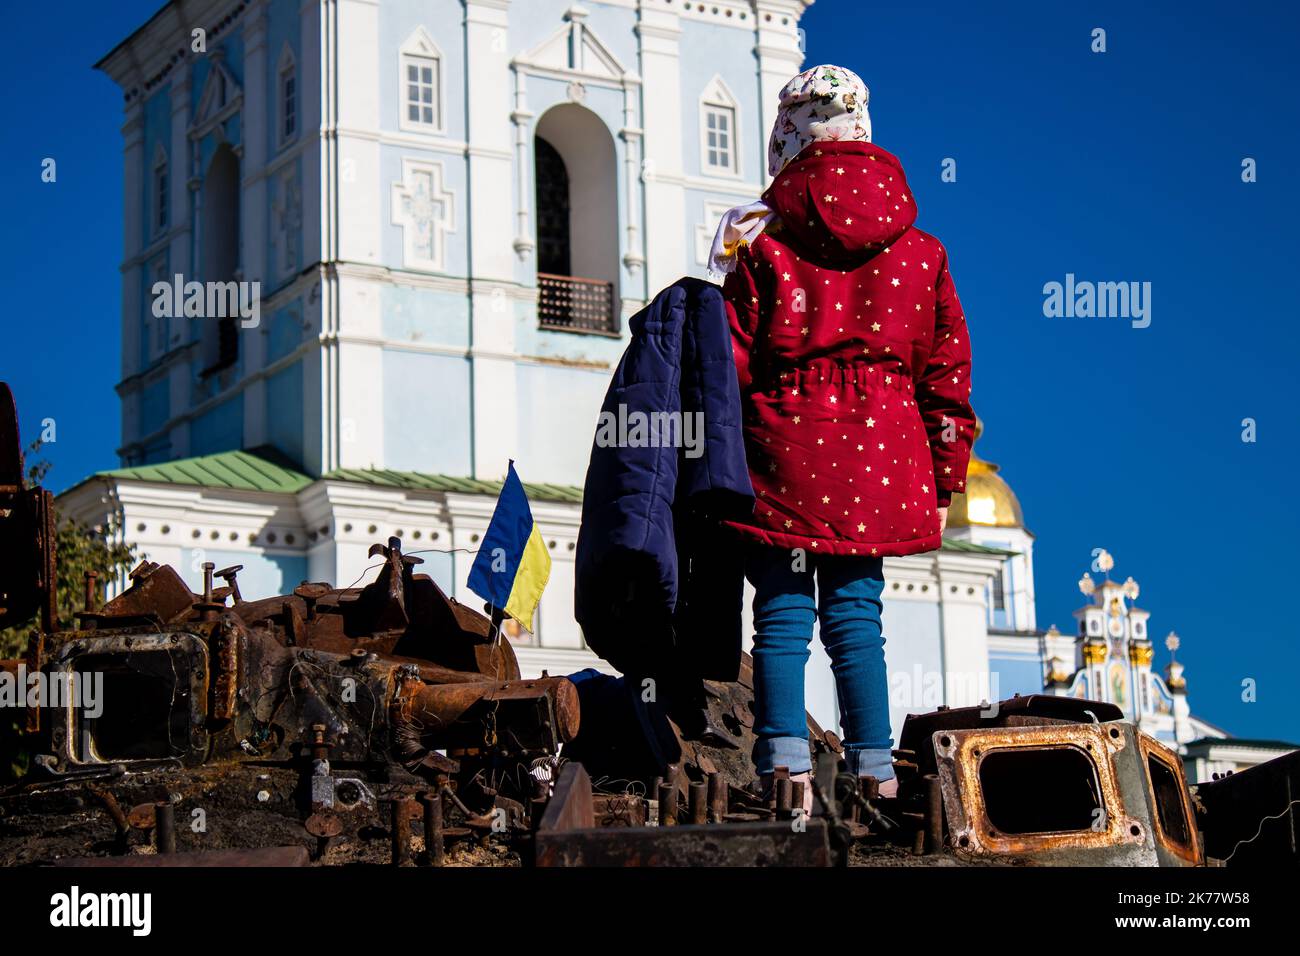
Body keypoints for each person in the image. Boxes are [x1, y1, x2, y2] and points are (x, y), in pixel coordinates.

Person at [709, 64, 975, 808]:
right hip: (882, 455)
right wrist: (946, 474)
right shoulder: (923, 253)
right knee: (858, 614)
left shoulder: (757, 239)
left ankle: (785, 766)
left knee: (782, 611)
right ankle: (875, 771)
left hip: (784, 443)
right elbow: (948, 373)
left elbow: (728, 356)